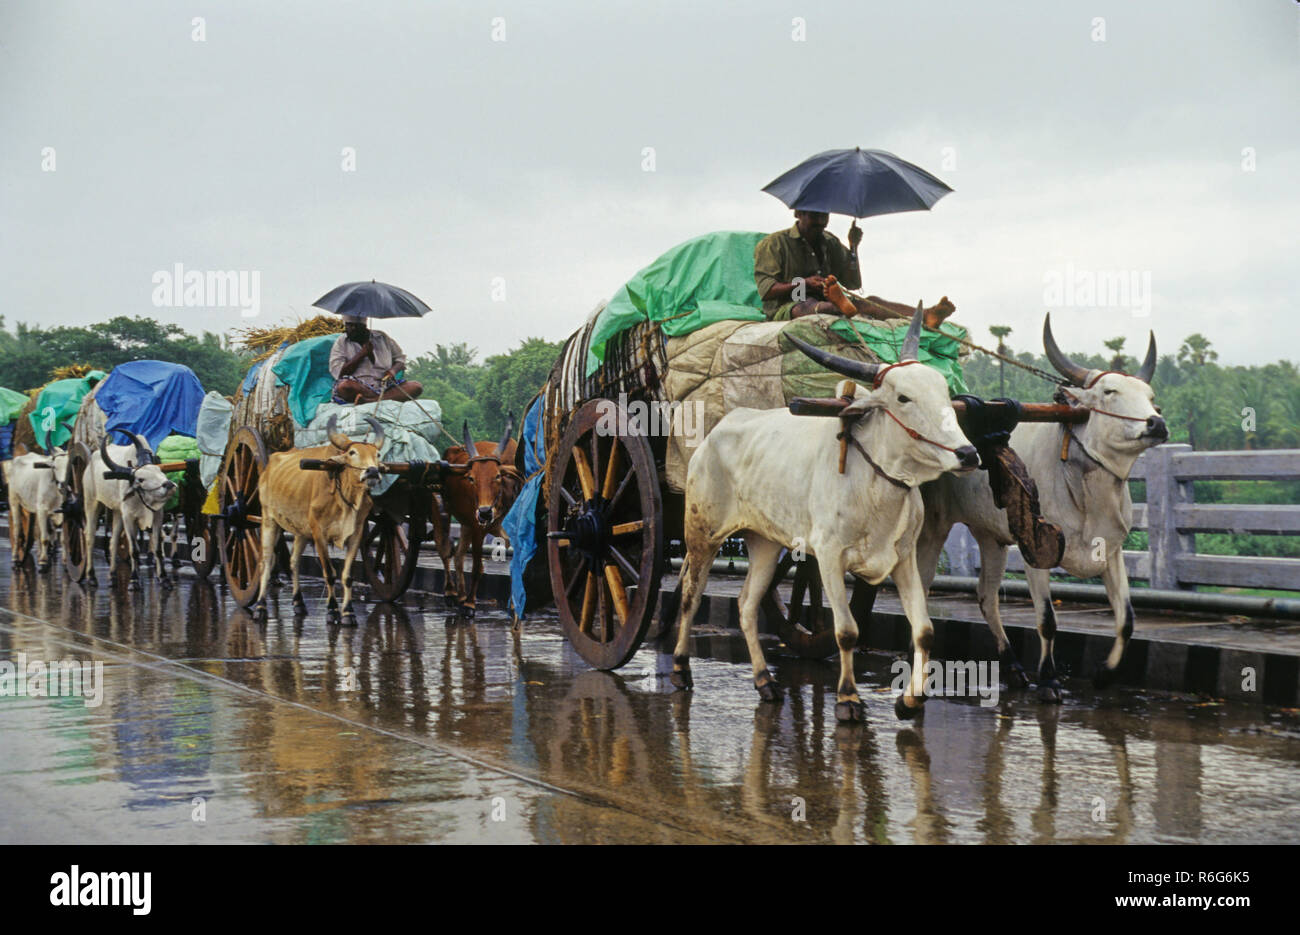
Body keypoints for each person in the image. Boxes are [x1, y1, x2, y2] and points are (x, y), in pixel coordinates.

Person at [753, 210, 955, 330]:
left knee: (871, 301)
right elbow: (767, 290)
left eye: (824, 217)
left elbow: (853, 283)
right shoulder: (775, 244)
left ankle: (925, 315)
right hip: (790, 304)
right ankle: (838, 306)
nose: (820, 223)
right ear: (798, 213)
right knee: (806, 303)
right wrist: (804, 283)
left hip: (827, 299)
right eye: (814, 217)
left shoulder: (829, 242)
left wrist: (853, 247)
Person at [328, 314, 424, 404]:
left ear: (365, 327)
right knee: (345, 386)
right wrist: (361, 355)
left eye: (357, 326)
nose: (352, 329)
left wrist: (392, 371)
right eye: (349, 325)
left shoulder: (382, 337)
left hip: (384, 386)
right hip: (359, 387)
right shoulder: (341, 342)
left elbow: (400, 359)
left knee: (416, 386)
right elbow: (339, 373)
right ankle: (387, 398)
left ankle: (371, 401)